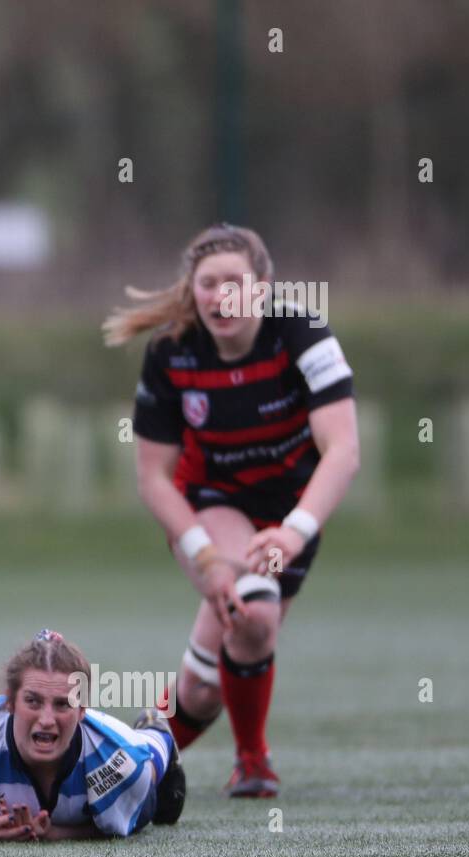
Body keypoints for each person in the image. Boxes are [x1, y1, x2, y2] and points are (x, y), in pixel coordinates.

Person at [104, 223, 359, 797]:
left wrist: (293, 533)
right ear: (191, 290)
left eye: (235, 284)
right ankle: (253, 762)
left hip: (293, 514)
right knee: (255, 613)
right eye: (208, 284)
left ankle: (112, 761)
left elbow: (343, 451)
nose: (222, 298)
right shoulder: (172, 352)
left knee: (201, 690)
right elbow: (153, 479)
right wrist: (208, 558)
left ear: (263, 288)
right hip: (208, 506)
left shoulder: (302, 333)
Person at [0, 630, 186, 840]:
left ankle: (155, 732)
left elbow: (113, 831)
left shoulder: (121, 763)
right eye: (33, 701)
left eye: (63, 704)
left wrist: (56, 833)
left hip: (132, 760)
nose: (47, 719)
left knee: (155, 788)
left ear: (82, 710)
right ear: (10, 702)